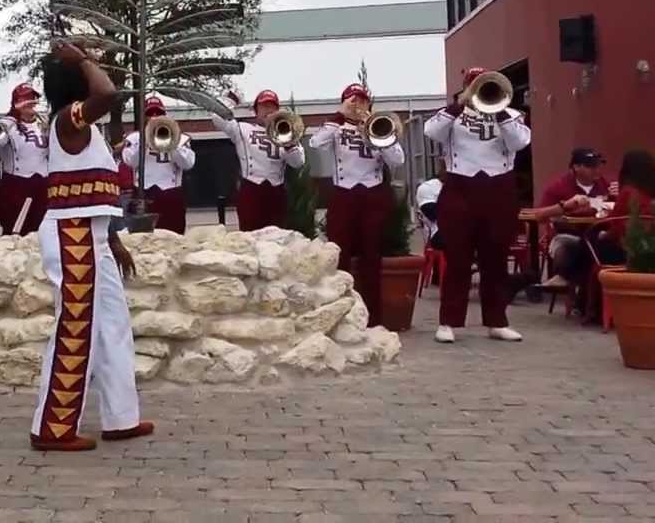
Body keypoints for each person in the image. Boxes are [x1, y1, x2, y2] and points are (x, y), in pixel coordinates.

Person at [29, 42, 151, 452]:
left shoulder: (84, 129)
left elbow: (91, 192)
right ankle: (52, 427)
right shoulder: (68, 120)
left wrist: (113, 238)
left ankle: (121, 418)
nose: (95, 71)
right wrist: (81, 58)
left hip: (91, 234)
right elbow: (108, 94)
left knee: (113, 325)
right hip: (71, 236)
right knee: (75, 328)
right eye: (87, 71)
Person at [423, 67, 531, 344]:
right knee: (458, 258)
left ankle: (497, 321)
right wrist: (459, 105)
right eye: (475, 85)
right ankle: (448, 322)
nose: (480, 90)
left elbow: (520, 142)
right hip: (460, 188)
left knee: (495, 259)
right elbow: (431, 132)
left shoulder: (511, 115)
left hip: (499, 188)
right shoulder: (452, 116)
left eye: (485, 85)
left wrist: (500, 110)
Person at [309, 84, 406, 328]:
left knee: (371, 259)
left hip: (373, 195)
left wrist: (379, 135)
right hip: (343, 194)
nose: (358, 105)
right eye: (352, 101)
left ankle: (373, 319)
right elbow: (315, 144)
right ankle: (339, 315)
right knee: (339, 257)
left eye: (362, 101)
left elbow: (398, 159)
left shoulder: (379, 126)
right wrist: (339, 116)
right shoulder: (335, 127)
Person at [211, 90, 306, 232]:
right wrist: (232, 99)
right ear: (256, 111)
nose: (268, 110)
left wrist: (288, 142)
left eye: (271, 106)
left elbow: (298, 162)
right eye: (263, 106)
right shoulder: (243, 129)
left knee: (276, 237)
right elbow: (217, 118)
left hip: (276, 192)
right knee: (250, 237)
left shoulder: (288, 132)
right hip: (251, 189)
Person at [538, 148, 615, 316]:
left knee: (605, 243)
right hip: (567, 234)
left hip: (597, 234)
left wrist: (617, 197)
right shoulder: (559, 186)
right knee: (568, 246)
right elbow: (540, 215)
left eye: (598, 165)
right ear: (576, 167)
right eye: (591, 166)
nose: (597, 170)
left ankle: (580, 293)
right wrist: (565, 206)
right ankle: (582, 298)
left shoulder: (606, 185)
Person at [122, 97, 196, 234]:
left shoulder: (180, 138)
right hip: (143, 193)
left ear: (165, 115)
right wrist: (144, 140)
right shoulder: (134, 139)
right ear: (144, 117)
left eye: (158, 113)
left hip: (171, 193)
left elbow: (188, 164)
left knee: (174, 236)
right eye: (150, 113)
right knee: (143, 237)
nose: (154, 117)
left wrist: (173, 144)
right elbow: (130, 161)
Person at [0, 83, 49, 236]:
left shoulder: (43, 125)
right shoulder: (6, 124)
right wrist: (13, 114)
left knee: (42, 236)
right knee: (15, 235)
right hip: (16, 186)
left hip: (42, 187)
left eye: (33, 98)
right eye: (26, 98)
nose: (31, 102)